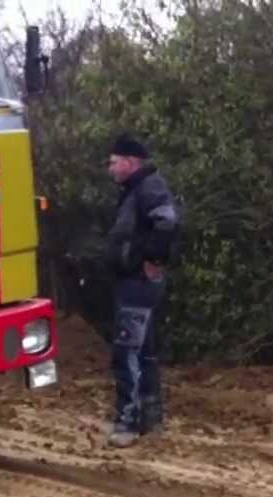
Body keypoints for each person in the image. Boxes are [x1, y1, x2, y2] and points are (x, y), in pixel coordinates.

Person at [103, 133, 180, 449]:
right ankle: (152, 418)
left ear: (130, 162)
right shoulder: (137, 188)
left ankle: (128, 422)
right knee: (144, 351)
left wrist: (154, 259)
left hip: (138, 283)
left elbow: (168, 222)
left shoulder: (149, 187)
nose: (110, 168)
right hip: (134, 280)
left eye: (113, 162)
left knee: (127, 351)